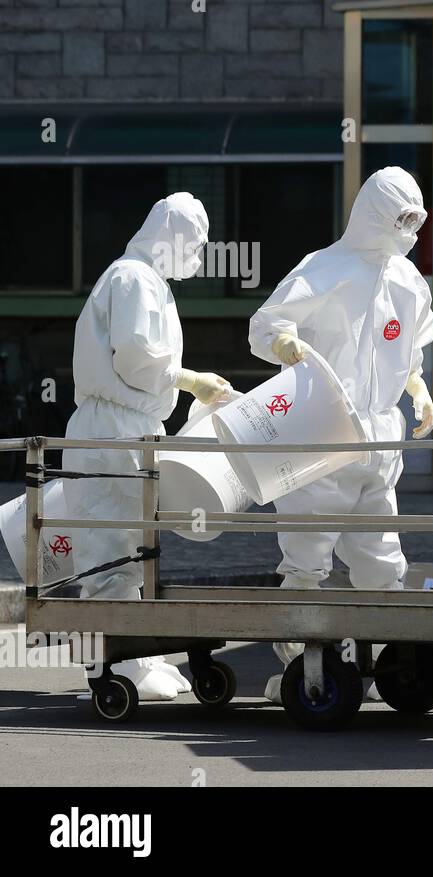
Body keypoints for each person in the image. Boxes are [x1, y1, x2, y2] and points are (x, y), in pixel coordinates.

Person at [249, 167, 433, 704]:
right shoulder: (326, 268)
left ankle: (397, 664)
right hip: (320, 430)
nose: (409, 229)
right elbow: (268, 322)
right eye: (401, 217)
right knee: (306, 557)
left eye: (417, 219)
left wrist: (418, 387)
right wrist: (285, 345)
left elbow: (409, 349)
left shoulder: (409, 280)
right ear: (373, 212)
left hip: (380, 439)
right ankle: (303, 670)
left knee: (382, 557)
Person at [65, 192, 231, 701]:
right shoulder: (133, 278)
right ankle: (117, 667)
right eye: (196, 244)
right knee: (109, 551)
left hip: (129, 430)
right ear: (172, 238)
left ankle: (139, 656)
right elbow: (136, 358)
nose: (199, 255)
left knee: (132, 551)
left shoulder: (146, 279)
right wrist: (191, 381)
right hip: (111, 432)